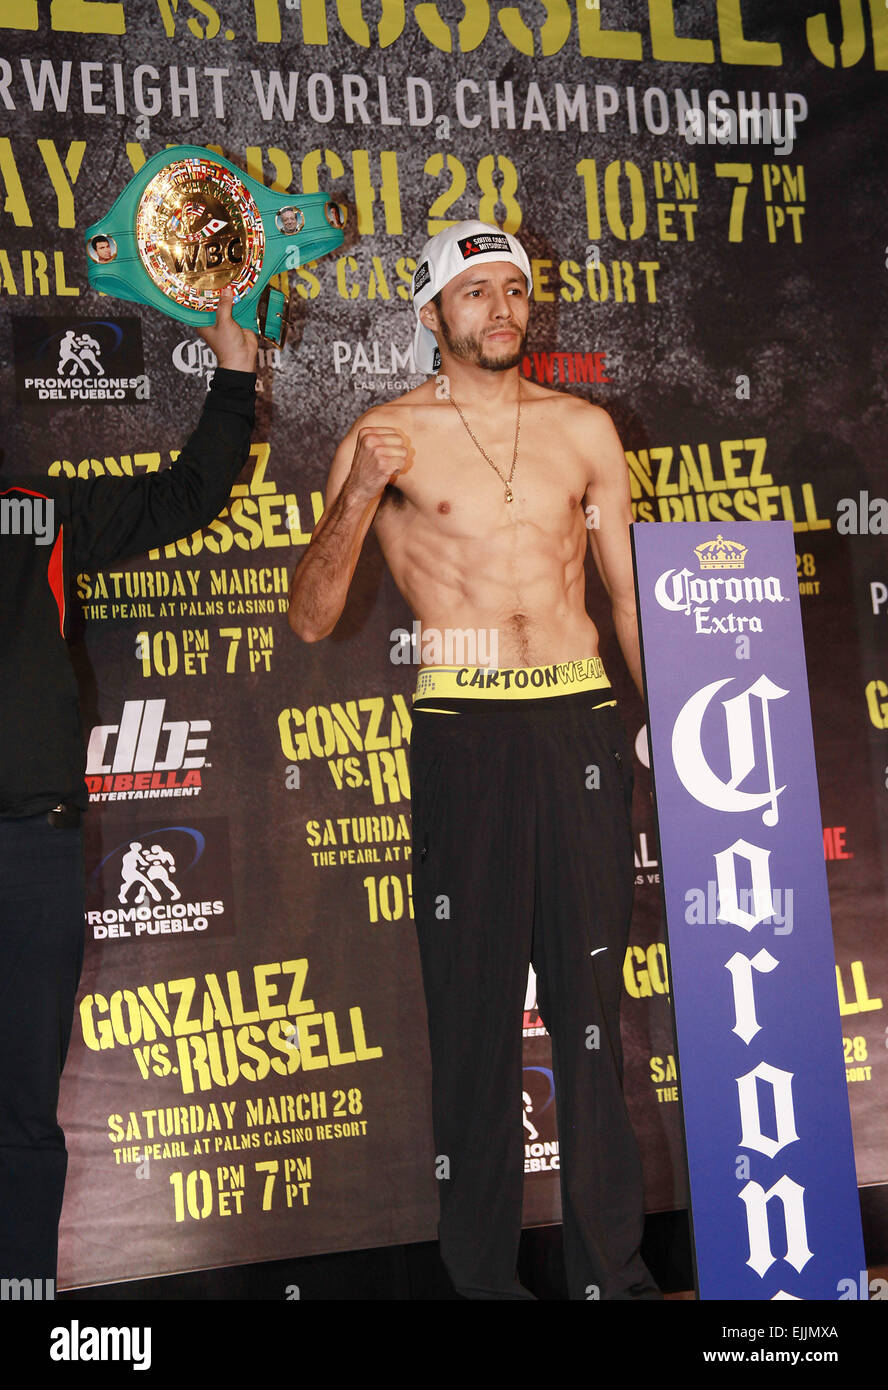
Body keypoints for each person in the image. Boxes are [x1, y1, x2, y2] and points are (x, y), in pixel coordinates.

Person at [288, 220, 659, 1301]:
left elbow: (630, 597)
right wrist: (360, 492)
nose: (499, 308)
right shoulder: (381, 433)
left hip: (581, 723)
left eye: (513, 289)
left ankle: (614, 1279)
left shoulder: (585, 430)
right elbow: (312, 620)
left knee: (595, 1016)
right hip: (467, 733)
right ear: (431, 314)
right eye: (474, 292)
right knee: (476, 1018)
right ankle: (484, 1284)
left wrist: (673, 740)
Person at [0, 286, 257, 1287]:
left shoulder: (35, 519)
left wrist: (235, 370)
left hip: (31, 851)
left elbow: (186, 494)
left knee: (22, 1114)